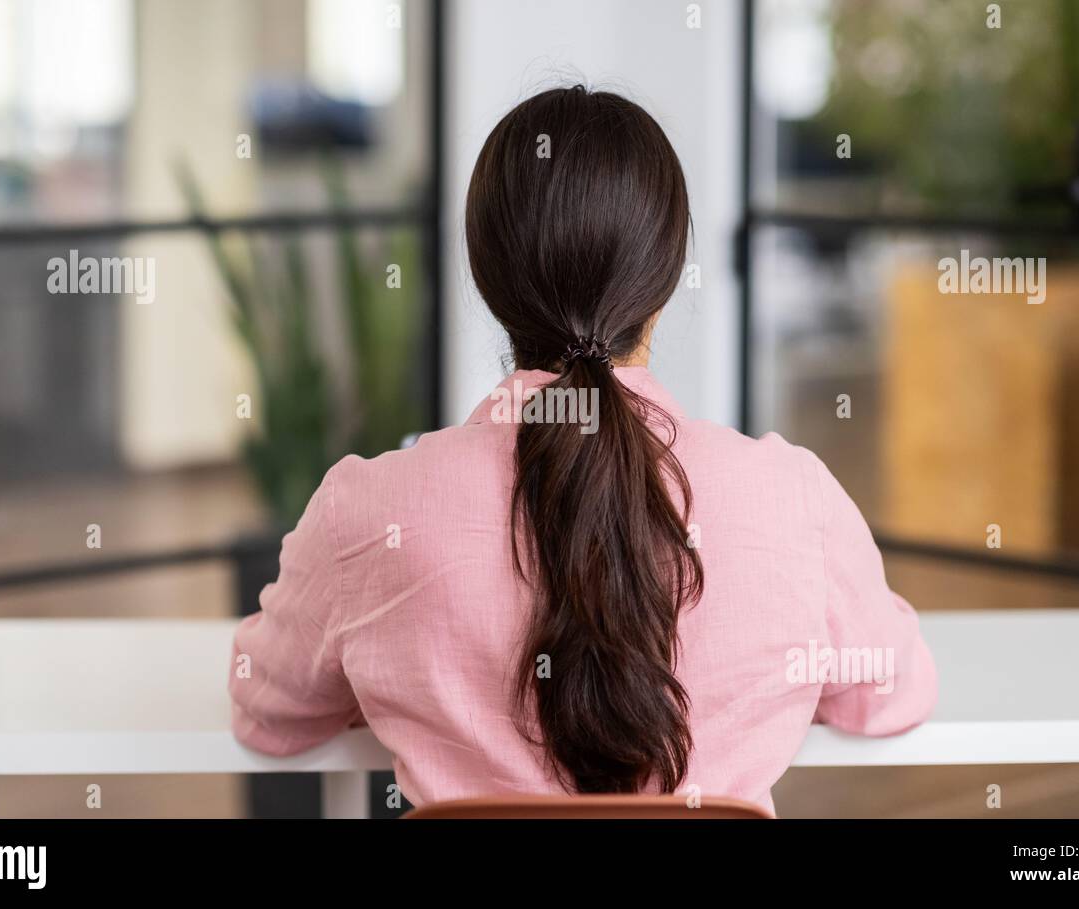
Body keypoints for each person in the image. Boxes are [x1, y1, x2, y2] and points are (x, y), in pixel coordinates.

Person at [229, 86, 936, 815]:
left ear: (486, 278)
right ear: (661, 285)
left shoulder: (369, 511)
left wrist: (385, 671)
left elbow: (269, 708)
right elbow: (891, 688)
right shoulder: (792, 500)